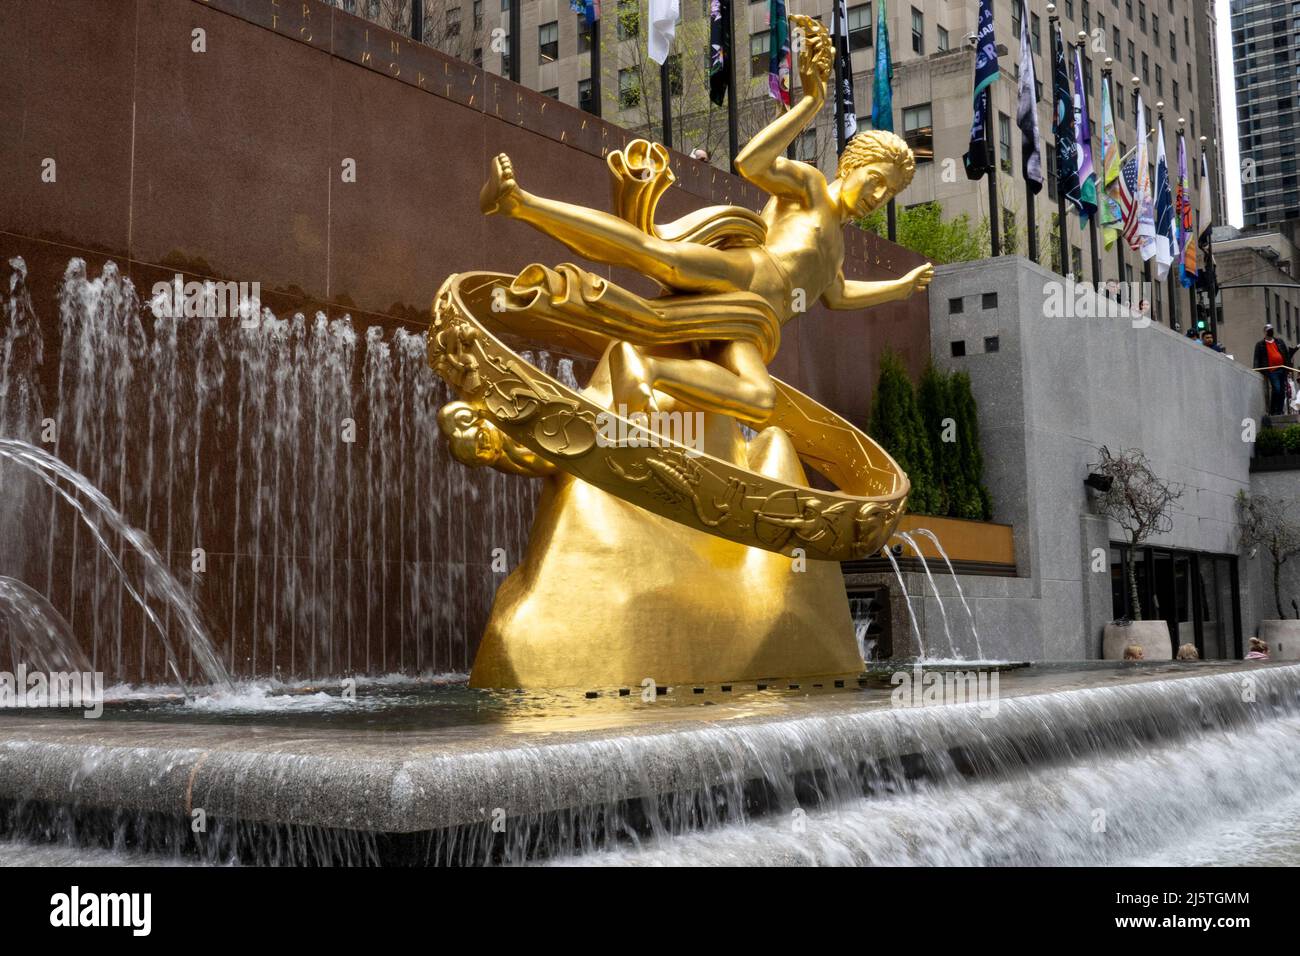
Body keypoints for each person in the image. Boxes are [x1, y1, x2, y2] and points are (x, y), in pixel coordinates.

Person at [478, 15, 931, 423]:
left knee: (759, 399)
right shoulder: (810, 187)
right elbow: (751, 163)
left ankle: (649, 373)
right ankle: (518, 202)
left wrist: (902, 286)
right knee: (657, 255)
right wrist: (810, 104)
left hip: (757, 325)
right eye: (876, 180)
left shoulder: (838, 248)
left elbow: (839, 294)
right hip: (745, 275)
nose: (878, 195)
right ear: (850, 167)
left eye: (888, 192)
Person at [1253, 324, 1294, 416]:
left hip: (1282, 369)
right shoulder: (1260, 344)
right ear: (1265, 332)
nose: (1271, 331)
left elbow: (1286, 355)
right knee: (1277, 389)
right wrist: (1256, 369)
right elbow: (1256, 358)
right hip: (1271, 370)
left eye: (1271, 329)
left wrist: (1288, 367)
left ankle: (1279, 410)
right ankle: (1273, 410)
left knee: (1282, 391)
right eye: (1269, 330)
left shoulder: (1279, 341)